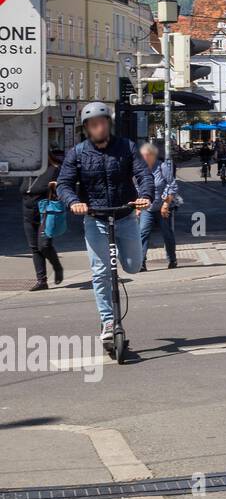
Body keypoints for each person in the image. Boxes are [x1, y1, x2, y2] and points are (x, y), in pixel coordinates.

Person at [56, 102, 153, 341]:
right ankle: (108, 321)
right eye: (92, 125)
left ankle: (120, 267)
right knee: (100, 272)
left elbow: (143, 174)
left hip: (125, 215)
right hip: (96, 219)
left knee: (132, 265)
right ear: (87, 128)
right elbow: (63, 184)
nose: (97, 128)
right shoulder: (77, 153)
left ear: (108, 124)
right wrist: (73, 202)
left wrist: (145, 196)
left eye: (101, 123)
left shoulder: (126, 147)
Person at [22, 148, 65, 291]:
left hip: (45, 214)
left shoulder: (54, 169)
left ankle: (57, 267)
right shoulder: (27, 171)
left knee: (44, 245)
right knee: (34, 248)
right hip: (28, 214)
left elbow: (62, 189)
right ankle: (42, 281)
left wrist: (55, 188)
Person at [137, 142, 179, 271]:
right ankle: (141, 262)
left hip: (163, 207)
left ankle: (172, 259)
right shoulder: (139, 169)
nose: (144, 158)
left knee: (167, 234)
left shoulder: (162, 167)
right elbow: (135, 188)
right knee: (143, 233)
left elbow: (172, 185)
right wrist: (137, 206)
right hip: (147, 208)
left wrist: (166, 203)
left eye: (147, 155)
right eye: (142, 155)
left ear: (153, 156)